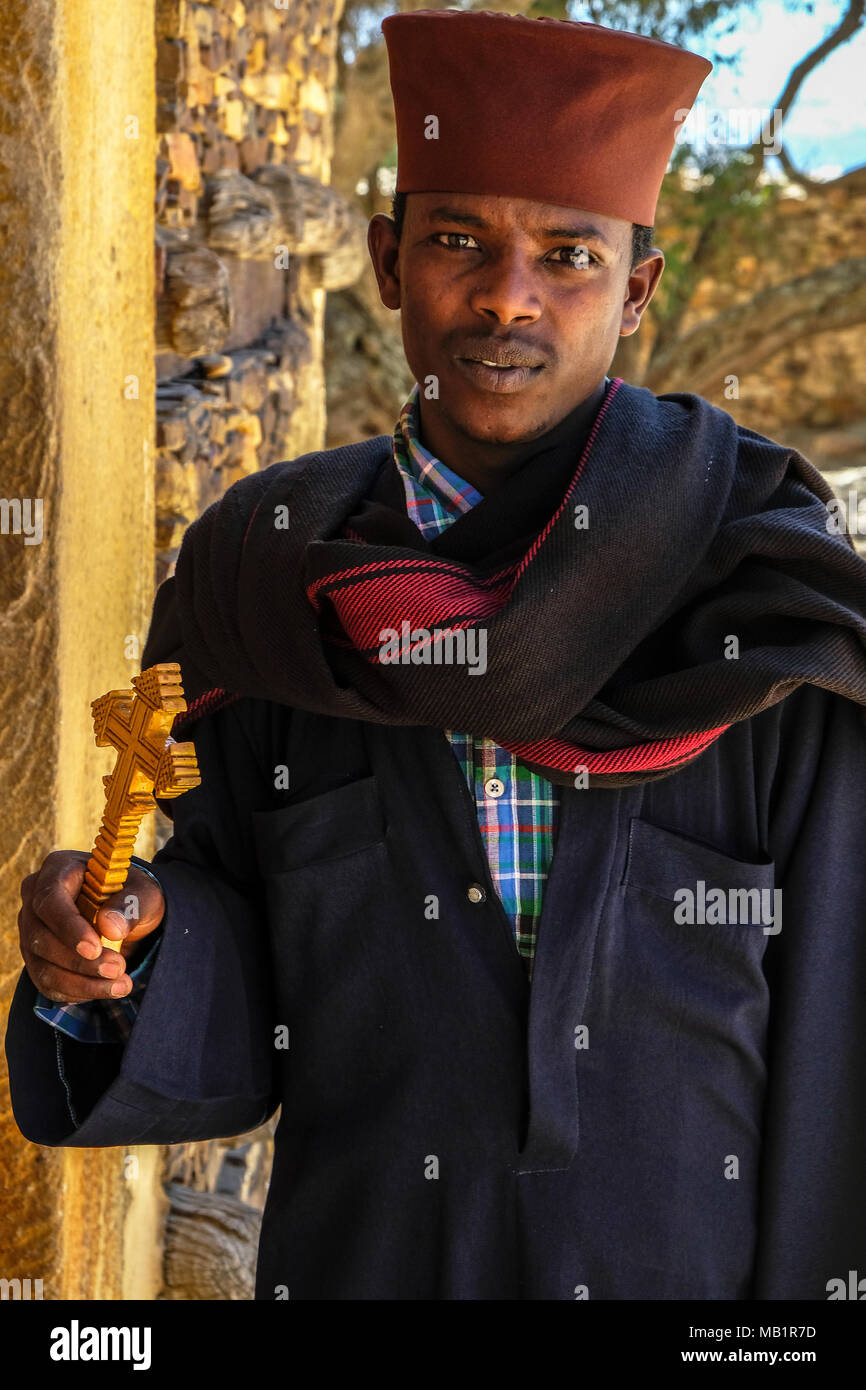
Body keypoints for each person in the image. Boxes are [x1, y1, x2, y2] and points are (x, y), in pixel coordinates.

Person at [7, 9, 866, 1301]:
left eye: (568, 254)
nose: (508, 293)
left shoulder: (751, 591)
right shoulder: (269, 578)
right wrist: (135, 944)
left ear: (635, 290)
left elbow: (834, 1058)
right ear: (386, 257)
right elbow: (251, 994)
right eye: (459, 238)